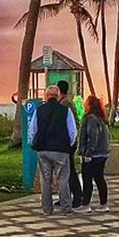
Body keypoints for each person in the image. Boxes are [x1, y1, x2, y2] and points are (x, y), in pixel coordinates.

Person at [29, 85, 77, 215]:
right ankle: (66, 208)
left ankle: (47, 209)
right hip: (61, 149)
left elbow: (32, 130)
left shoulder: (39, 111)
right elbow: (72, 131)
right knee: (63, 179)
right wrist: (68, 145)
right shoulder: (65, 111)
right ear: (58, 96)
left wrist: (35, 143)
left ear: (46, 96)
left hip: (43, 149)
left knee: (45, 179)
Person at [78, 95, 111, 213]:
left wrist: (88, 153)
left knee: (87, 178)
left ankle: (86, 204)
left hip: (94, 154)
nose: (84, 105)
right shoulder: (101, 118)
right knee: (99, 178)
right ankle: (104, 204)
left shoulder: (91, 118)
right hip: (103, 152)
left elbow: (93, 136)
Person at [56, 79, 82, 208]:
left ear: (59, 91)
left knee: (69, 170)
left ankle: (77, 196)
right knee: (67, 170)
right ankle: (67, 196)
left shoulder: (64, 103)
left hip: (69, 141)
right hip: (70, 140)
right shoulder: (66, 102)